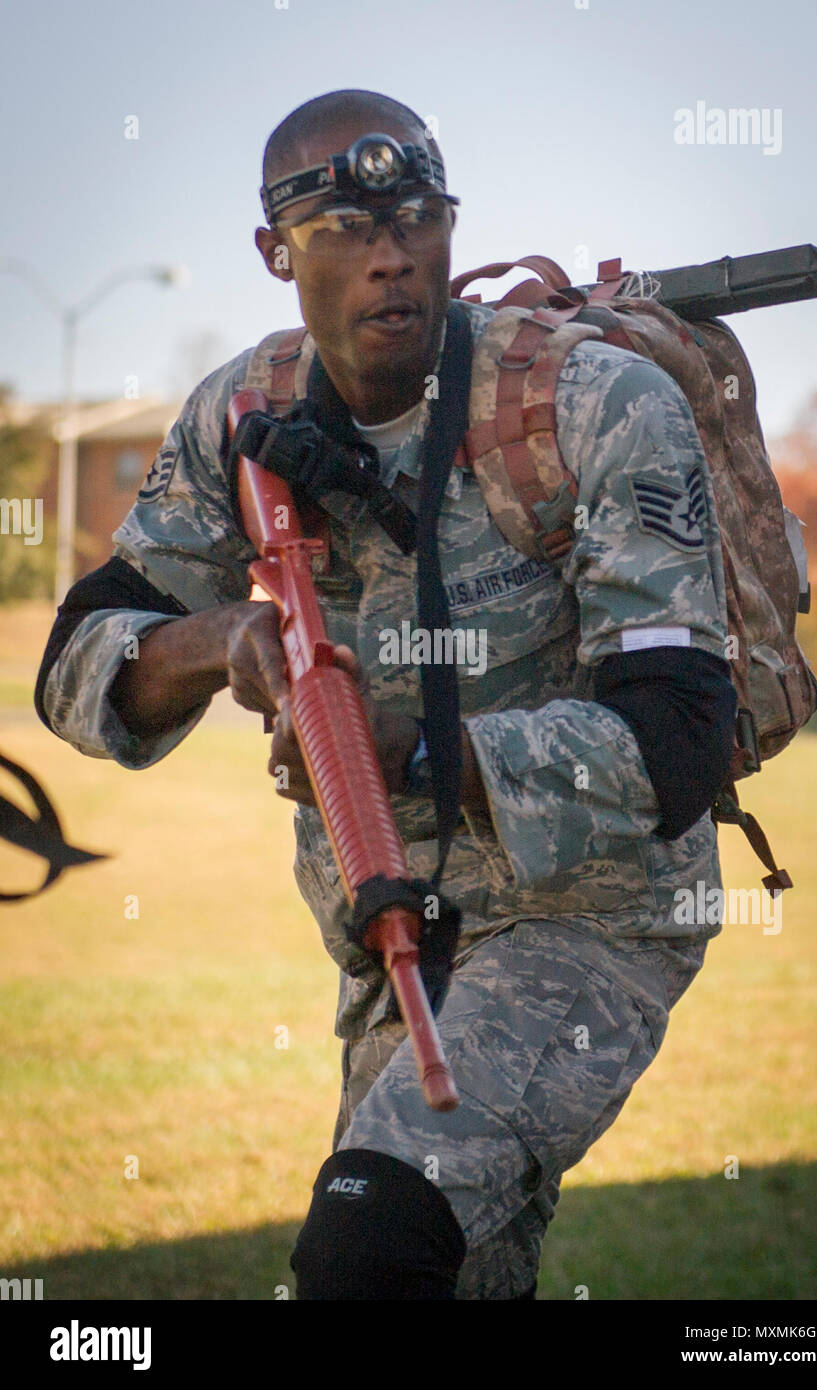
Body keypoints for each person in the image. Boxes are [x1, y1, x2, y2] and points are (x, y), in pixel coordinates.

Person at [35, 89, 738, 1300]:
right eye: (342, 230)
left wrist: (408, 749)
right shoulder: (239, 417)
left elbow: (679, 736)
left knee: (366, 1243)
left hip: (589, 915)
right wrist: (224, 642)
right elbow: (76, 659)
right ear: (275, 254)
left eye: (416, 217)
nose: (389, 254)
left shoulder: (590, 407)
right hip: (388, 925)